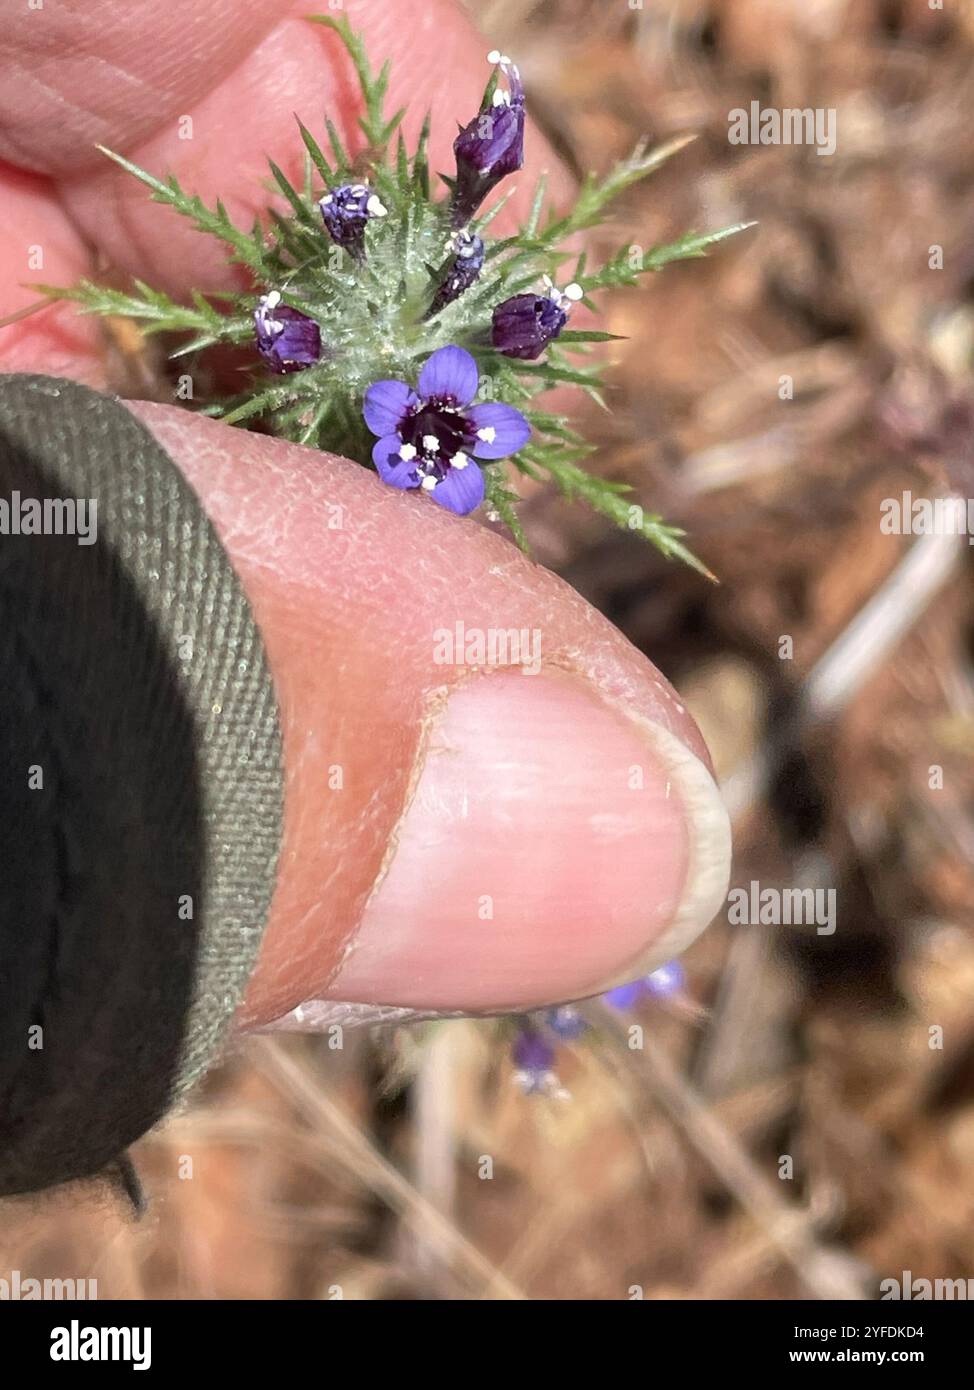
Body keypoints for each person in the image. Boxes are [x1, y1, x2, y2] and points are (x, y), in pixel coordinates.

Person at [0, 0, 730, 1196]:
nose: (441, 434)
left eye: (452, 433)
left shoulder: (452, 415)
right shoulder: (414, 413)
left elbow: (446, 427)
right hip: (343, 351)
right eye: (429, 429)